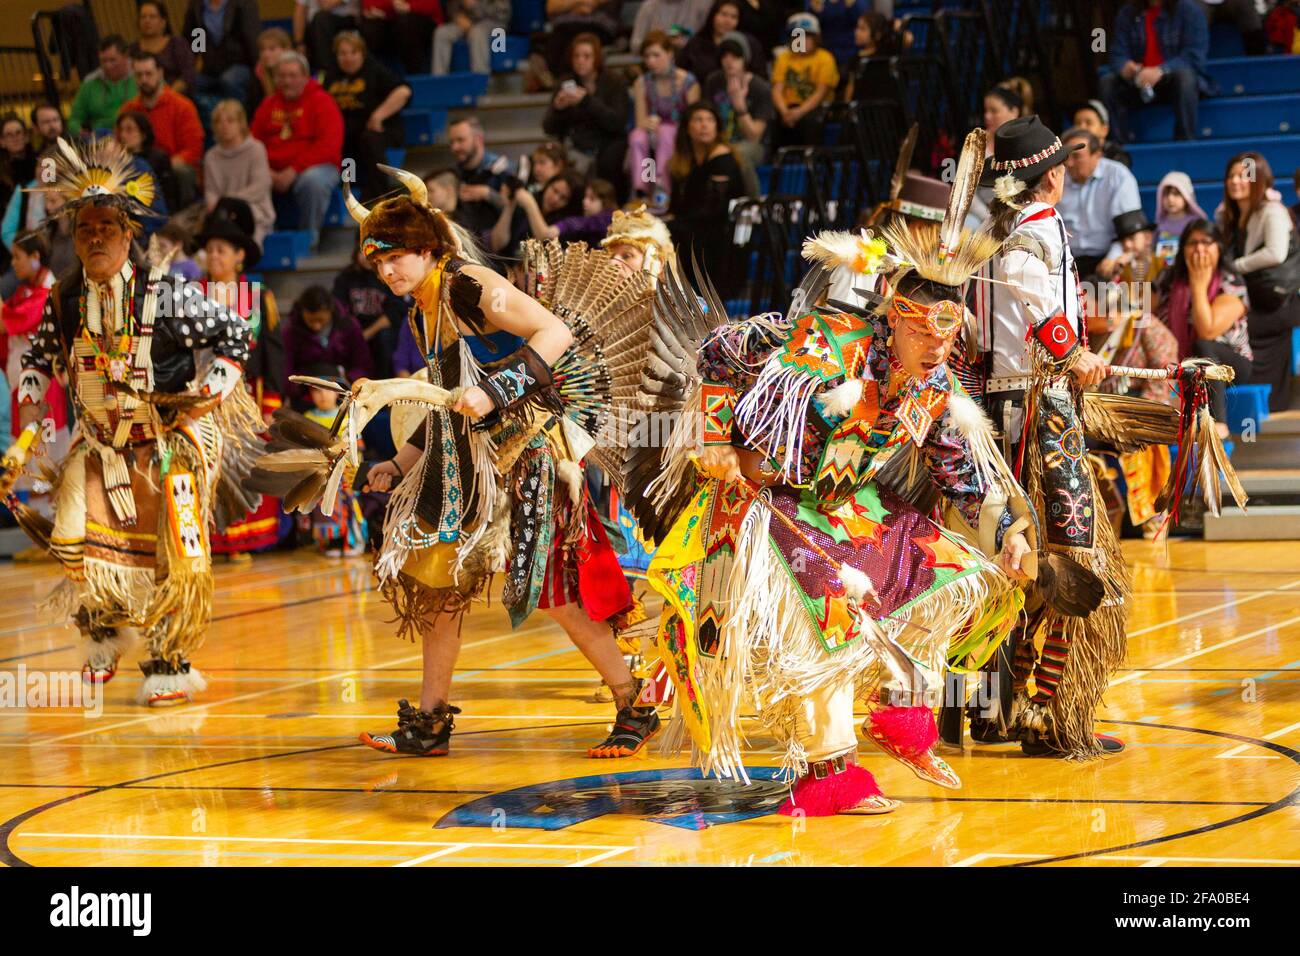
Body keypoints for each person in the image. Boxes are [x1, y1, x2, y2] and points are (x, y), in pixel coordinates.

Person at [646, 147, 1027, 814]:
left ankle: (894, 704)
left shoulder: (934, 387)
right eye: (925, 331)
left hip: (849, 503)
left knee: (942, 571)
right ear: (893, 314)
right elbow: (717, 351)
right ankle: (827, 773)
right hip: (769, 501)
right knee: (825, 614)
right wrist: (712, 440)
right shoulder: (827, 340)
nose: (939, 348)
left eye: (950, 333)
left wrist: (1009, 532)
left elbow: (961, 474)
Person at [264, 166, 663, 759]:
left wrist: (498, 390)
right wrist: (401, 461)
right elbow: (444, 396)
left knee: (556, 594)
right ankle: (429, 723)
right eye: (377, 264)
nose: (385, 271)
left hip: (528, 455)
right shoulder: (419, 307)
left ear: (429, 250)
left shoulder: (468, 286)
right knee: (435, 587)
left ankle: (634, 704)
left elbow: (553, 333)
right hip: (463, 467)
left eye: (395, 258)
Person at [14, 136, 256, 705]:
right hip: (99, 445)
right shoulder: (65, 299)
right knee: (77, 545)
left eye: (107, 228)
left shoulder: (166, 296)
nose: (95, 238)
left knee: (174, 560)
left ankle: (168, 660)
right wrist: (30, 399)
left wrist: (209, 392)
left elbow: (236, 335)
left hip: (165, 444)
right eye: (85, 230)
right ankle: (102, 636)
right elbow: (36, 358)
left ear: (129, 234)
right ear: (74, 239)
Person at [963, 115, 1131, 758]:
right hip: (1040, 407)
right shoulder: (1037, 231)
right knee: (1071, 550)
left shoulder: (997, 234)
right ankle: (1044, 713)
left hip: (1012, 407)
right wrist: (1072, 353)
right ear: (1052, 176)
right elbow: (1038, 303)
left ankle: (993, 707)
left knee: (1013, 553)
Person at [196, 213, 285, 560]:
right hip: (203, 395)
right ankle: (206, 538)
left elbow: (272, 355)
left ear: (239, 256)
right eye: (210, 250)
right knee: (206, 464)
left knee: (241, 466)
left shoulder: (257, 296)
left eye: (221, 250)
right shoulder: (192, 296)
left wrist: (271, 405)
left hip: (245, 397)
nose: (214, 256)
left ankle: (240, 542)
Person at [1218, 151, 1300, 411]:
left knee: (1226, 331)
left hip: (1279, 303)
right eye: (1231, 176)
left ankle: (1257, 406)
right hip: (1256, 301)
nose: (1235, 181)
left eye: (1243, 176)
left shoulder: (1272, 210)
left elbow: (1275, 253)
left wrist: (1235, 267)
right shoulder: (1229, 216)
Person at [1154, 218, 1254, 428]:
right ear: (1183, 249)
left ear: (1218, 248)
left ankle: (1217, 424)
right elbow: (1147, 317)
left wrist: (1198, 285)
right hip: (1181, 361)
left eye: (1206, 242)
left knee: (1204, 346)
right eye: (1192, 243)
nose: (1199, 248)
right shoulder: (1167, 280)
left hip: (1231, 365)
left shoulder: (1231, 281)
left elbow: (1207, 330)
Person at [2, 231, 68, 517]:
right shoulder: (23, 293)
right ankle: (40, 527)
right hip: (22, 385)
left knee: (46, 448)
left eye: (18, 257)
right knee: (30, 448)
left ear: (35, 257)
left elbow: (7, 323)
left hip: (45, 389)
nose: (14, 263)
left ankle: (55, 527)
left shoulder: (47, 295)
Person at [251, 51, 345, 252]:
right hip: (272, 170)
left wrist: (293, 170)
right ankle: (263, 242)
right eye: (282, 76)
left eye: (293, 76)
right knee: (248, 178)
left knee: (313, 182)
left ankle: (308, 241)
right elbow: (253, 144)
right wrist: (266, 171)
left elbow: (328, 146)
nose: (287, 81)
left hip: (315, 166)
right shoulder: (268, 105)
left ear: (304, 77)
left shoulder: (322, 101)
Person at [666, 101, 749, 298]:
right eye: (698, 120)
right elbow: (677, 205)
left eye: (710, 120)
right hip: (694, 229)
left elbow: (714, 209)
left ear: (717, 127)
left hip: (721, 232)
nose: (704, 125)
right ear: (687, 128)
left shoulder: (723, 158)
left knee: (673, 233)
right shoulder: (683, 161)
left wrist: (674, 223)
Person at [1100, 0, 1212, 144]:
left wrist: (1161, 70)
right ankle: (1118, 145)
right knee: (1107, 82)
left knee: (1186, 78)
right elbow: (1117, 53)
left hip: (1172, 80)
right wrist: (1124, 66)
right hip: (1138, 80)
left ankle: (1185, 141)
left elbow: (1194, 56)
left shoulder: (1190, 10)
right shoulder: (1127, 13)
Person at [324, 32, 412, 202]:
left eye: (353, 52)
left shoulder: (374, 70)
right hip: (348, 136)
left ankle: (380, 195)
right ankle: (350, 190)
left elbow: (404, 92)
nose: (348, 58)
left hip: (378, 131)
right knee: (344, 143)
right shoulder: (331, 76)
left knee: (369, 140)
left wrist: (378, 115)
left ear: (362, 53)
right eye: (343, 53)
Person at [541, 32, 629, 193]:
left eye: (587, 56)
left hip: (608, 143)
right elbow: (548, 128)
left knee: (610, 159)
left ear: (597, 58)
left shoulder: (615, 82)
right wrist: (558, 109)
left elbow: (617, 122)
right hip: (576, 143)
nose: (581, 61)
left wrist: (587, 101)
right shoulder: (565, 83)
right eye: (576, 56)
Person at [120, 52, 206, 209]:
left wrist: (162, 165)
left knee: (181, 170)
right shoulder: (129, 109)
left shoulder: (182, 106)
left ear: (160, 73)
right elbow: (119, 145)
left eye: (148, 74)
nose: (144, 79)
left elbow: (194, 149)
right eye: (139, 75)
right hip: (138, 166)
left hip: (172, 167)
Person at [1057, 126, 1142, 280]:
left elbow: (1129, 232)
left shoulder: (1118, 176)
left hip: (1107, 256)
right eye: (1066, 157)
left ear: (1097, 155)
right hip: (1065, 260)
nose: (1069, 163)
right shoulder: (1057, 178)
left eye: (1076, 156)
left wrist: (1112, 258)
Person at [629, 31, 699, 205]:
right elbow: (640, 120)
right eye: (647, 56)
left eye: (656, 55)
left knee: (666, 133)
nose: (651, 61)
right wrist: (649, 123)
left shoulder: (687, 81)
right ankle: (643, 187)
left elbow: (694, 117)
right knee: (638, 137)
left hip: (679, 130)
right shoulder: (642, 83)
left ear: (669, 54)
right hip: (653, 131)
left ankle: (662, 187)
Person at [282, 285, 373, 408]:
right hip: (305, 398)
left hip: (345, 395)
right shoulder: (291, 332)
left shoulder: (349, 326)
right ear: (302, 312)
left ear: (330, 311)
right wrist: (300, 387)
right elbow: (285, 369)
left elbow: (362, 363)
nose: (316, 326)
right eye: (311, 321)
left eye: (321, 320)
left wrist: (348, 381)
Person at [334, 239, 410, 378]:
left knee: (384, 337)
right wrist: (356, 333)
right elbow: (339, 308)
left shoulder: (388, 274)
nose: (365, 258)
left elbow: (395, 313)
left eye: (370, 254)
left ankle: (385, 380)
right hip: (354, 328)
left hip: (380, 330)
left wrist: (367, 334)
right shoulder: (346, 277)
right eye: (362, 253)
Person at [204, 100, 276, 244]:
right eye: (219, 122)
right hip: (223, 212)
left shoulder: (256, 149)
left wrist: (229, 202)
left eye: (230, 121)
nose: (224, 126)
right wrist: (219, 205)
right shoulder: (211, 156)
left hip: (254, 208)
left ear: (240, 124)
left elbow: (259, 187)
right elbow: (211, 191)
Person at [702, 32, 773, 173]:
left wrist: (740, 106)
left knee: (737, 154)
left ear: (744, 59)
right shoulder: (713, 82)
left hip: (753, 145)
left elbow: (754, 136)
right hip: (718, 140)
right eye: (725, 56)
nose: (729, 61)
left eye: (735, 57)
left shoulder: (760, 87)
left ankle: (752, 196)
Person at [770, 13, 839, 151]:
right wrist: (785, 112)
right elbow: (777, 89)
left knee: (811, 121)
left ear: (816, 38)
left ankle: (810, 162)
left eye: (807, 36)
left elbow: (821, 93)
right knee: (771, 119)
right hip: (788, 108)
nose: (802, 40)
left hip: (814, 108)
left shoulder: (825, 58)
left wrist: (799, 112)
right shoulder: (784, 58)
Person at [183, 0, 261, 110]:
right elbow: (194, 41)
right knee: (189, 83)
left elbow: (252, 39)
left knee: (228, 80)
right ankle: (208, 124)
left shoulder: (244, 4)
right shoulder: (196, 6)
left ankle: (240, 120)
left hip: (240, 64)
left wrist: (258, 67)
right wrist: (189, 71)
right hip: (210, 68)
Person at [490, 169, 584, 257]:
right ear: (548, 185)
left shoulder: (564, 223)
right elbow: (496, 245)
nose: (555, 199)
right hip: (503, 263)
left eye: (563, 198)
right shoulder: (531, 198)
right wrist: (510, 206)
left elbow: (543, 238)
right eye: (554, 190)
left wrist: (530, 205)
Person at [109, 112, 173, 233]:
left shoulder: (155, 160)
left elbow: (166, 199)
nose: (123, 135)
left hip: (150, 223)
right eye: (121, 130)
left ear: (143, 134)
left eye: (129, 130)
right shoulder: (118, 163)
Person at [446, 117, 510, 235]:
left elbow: (517, 212)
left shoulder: (502, 169)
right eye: (452, 142)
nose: (454, 147)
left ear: (478, 139)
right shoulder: (452, 174)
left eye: (460, 140)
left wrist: (488, 194)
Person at [510, 176, 617, 246]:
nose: (585, 202)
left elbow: (546, 234)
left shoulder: (605, 219)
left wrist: (529, 203)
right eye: (585, 197)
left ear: (606, 203)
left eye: (592, 199)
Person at [679, 0, 766, 82]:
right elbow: (681, 72)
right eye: (723, 14)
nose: (728, 21)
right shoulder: (696, 43)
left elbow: (760, 77)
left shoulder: (749, 43)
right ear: (713, 15)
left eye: (734, 17)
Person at [68, 36, 138, 137]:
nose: (108, 65)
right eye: (103, 61)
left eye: (112, 60)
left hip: (136, 138)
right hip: (100, 140)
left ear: (126, 55)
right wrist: (80, 132)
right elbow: (74, 119)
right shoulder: (90, 83)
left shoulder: (142, 76)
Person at [131, 0, 197, 96]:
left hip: (175, 99)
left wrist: (164, 96)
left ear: (163, 22)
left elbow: (188, 76)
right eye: (143, 17)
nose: (147, 20)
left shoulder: (177, 44)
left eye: (152, 17)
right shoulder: (133, 49)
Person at [360, 0, 443, 74]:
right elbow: (369, 6)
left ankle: (414, 76)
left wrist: (409, 7)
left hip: (421, 20)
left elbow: (431, 5)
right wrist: (389, 8)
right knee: (370, 27)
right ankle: (370, 76)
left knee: (405, 24)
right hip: (390, 21)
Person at [432, 0, 511, 75]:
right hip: (468, 22)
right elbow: (452, 6)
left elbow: (501, 14)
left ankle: (480, 81)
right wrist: (457, 17)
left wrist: (474, 6)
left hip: (494, 23)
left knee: (477, 32)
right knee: (442, 33)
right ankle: (439, 80)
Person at [1154, 170, 1207, 266]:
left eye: (1176, 194)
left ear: (1187, 197)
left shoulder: (1194, 222)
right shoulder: (1160, 224)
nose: (1170, 199)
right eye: (1166, 194)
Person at [296, 0, 362, 71]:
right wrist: (299, 42)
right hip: (314, 26)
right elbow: (300, 12)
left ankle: (326, 71)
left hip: (346, 22)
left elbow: (326, 5)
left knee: (321, 19)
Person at [1071, 99, 1132, 169]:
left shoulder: (1117, 156)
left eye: (1088, 123)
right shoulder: (1068, 156)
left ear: (1104, 130)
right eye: (1077, 123)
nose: (1082, 128)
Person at [806, 0, 866, 71]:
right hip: (827, 49)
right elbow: (812, 28)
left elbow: (860, 23)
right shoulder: (819, 3)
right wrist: (816, 11)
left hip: (850, 49)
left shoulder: (851, 2)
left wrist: (851, 7)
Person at [632, 0, 713, 51]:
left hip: (690, 64)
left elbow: (708, 42)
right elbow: (635, 44)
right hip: (654, 64)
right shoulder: (648, 7)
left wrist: (685, 44)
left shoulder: (701, 5)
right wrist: (657, 45)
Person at [254, 27, 295, 105]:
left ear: (286, 50)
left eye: (272, 49)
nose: (266, 54)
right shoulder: (258, 75)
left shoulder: (296, 73)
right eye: (262, 50)